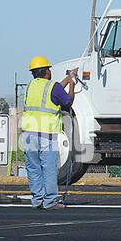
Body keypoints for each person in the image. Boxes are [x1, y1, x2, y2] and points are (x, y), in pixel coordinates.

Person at [21, 56, 76, 210]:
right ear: (46, 71)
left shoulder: (31, 86)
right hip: (46, 134)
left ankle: (37, 200)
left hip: (28, 134)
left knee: (33, 168)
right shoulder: (52, 86)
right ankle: (50, 201)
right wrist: (72, 84)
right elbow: (67, 101)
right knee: (49, 168)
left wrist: (68, 77)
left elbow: (55, 90)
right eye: (49, 69)